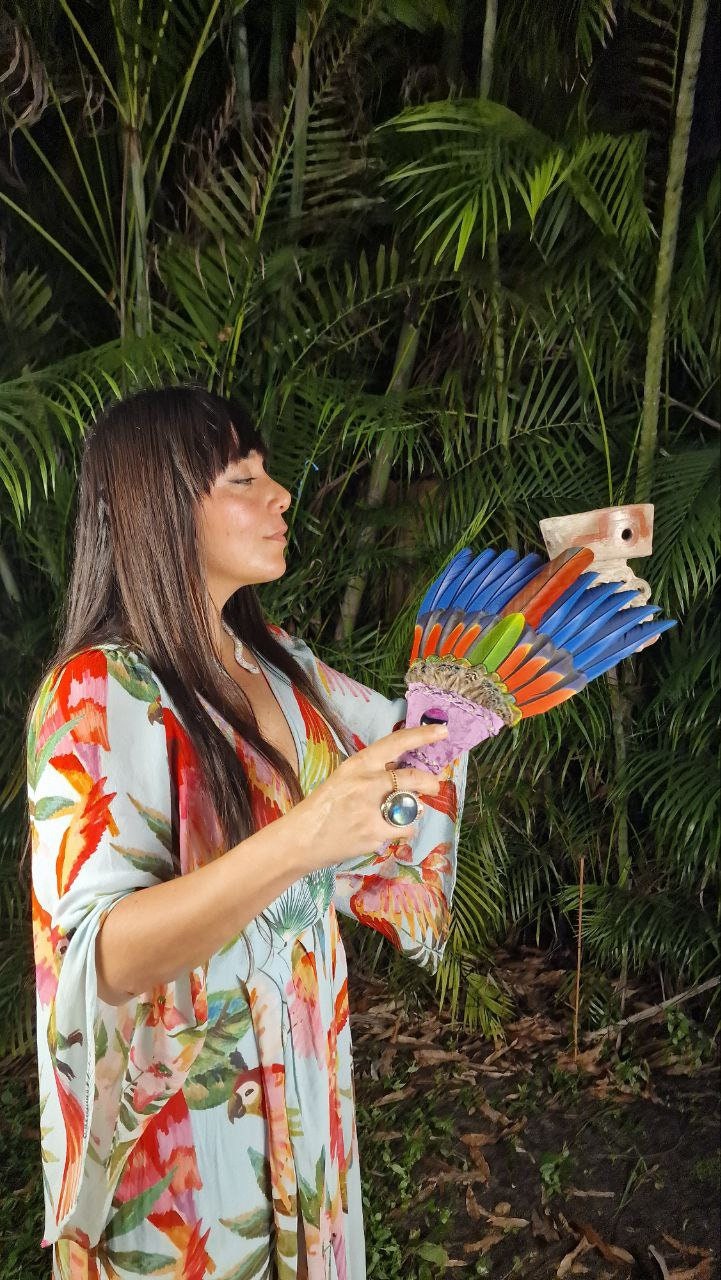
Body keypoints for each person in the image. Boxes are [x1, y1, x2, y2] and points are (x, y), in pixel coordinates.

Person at [26, 384, 469, 1280]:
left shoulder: (280, 662)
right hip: (188, 1136)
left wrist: (554, 614)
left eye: (266, 472)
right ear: (161, 507)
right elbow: (103, 956)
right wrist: (304, 837)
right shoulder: (99, 694)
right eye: (244, 478)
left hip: (304, 1091)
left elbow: (425, 746)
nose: (280, 496)